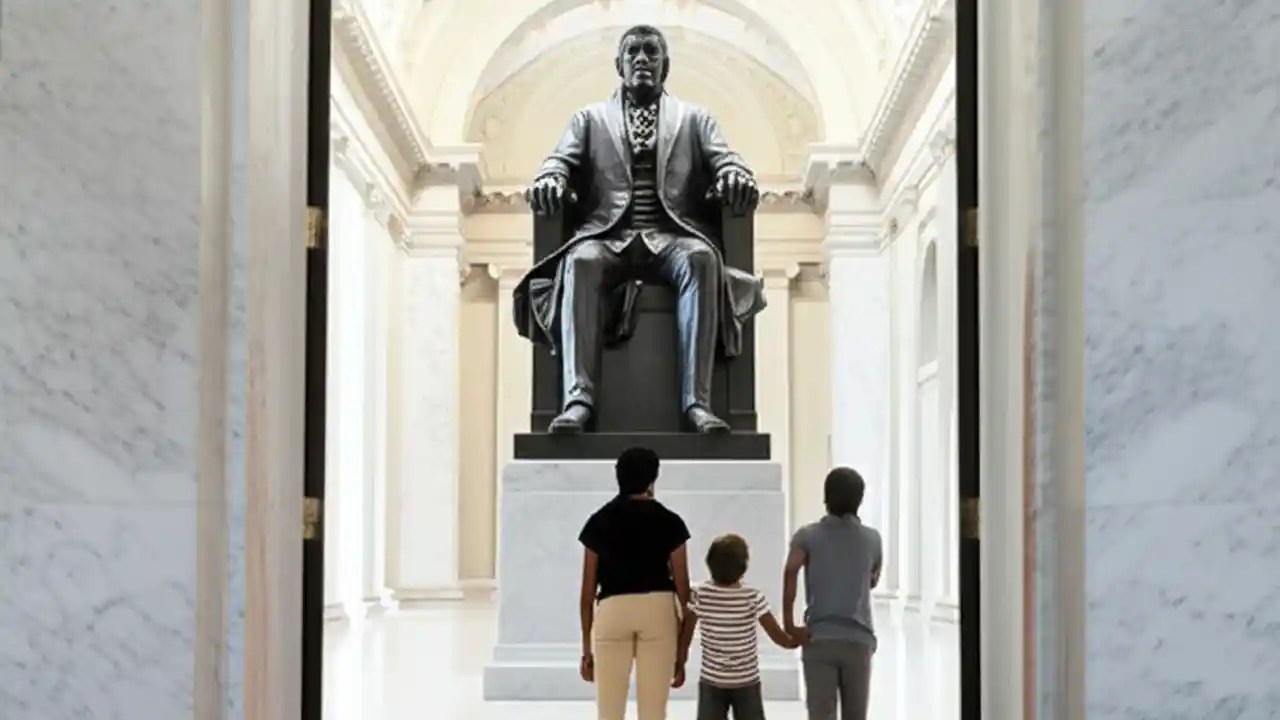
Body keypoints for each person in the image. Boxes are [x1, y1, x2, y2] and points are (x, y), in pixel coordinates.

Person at [514, 24, 766, 434]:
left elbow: (728, 160)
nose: (642, 59)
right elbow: (558, 160)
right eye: (632, 52)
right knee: (580, 262)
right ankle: (578, 400)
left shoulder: (695, 119)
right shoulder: (589, 118)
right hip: (609, 235)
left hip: (671, 235)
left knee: (702, 260)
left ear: (666, 65)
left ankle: (697, 405)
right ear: (619, 64)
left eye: (652, 52)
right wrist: (551, 178)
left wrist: (736, 174)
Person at [578, 446, 692, 720]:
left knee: (609, 710)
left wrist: (586, 648)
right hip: (658, 610)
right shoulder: (671, 522)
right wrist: (682, 649)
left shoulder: (598, 522)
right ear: (653, 478)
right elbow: (684, 590)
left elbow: (587, 591)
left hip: (612, 608)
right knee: (653, 711)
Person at [782, 468, 883, 720]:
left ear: (826, 497)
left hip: (819, 637)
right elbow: (872, 581)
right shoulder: (872, 539)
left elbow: (791, 570)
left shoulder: (807, 536)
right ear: (859, 499)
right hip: (858, 639)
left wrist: (789, 623)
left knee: (820, 714)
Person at [679, 534, 801, 720]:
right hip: (747, 682)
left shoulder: (700, 595)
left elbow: (686, 635)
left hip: (712, 681)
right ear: (743, 567)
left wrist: (679, 663)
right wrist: (794, 641)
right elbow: (776, 634)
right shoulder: (752, 597)